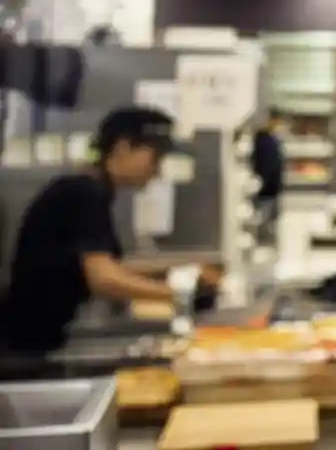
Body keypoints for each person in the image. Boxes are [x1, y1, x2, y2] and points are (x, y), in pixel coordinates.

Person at [0, 107, 206, 353]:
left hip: (42, 335)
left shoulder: (87, 189)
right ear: (123, 148)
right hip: (33, 345)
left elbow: (106, 264)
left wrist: (183, 270)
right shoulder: (84, 193)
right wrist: (183, 296)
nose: (157, 170)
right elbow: (104, 278)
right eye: (155, 158)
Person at [250, 108, 286, 244]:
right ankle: (263, 241)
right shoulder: (264, 140)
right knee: (263, 220)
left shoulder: (271, 139)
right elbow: (265, 165)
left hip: (271, 188)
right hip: (266, 189)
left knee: (270, 219)